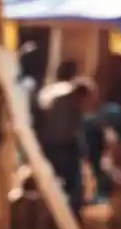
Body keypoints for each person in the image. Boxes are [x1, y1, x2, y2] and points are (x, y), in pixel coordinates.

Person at [37, 61, 88, 219]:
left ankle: (51, 219)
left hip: (47, 145)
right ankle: (72, 218)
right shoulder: (71, 92)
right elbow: (76, 121)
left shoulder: (46, 92)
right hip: (66, 145)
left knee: (51, 183)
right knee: (73, 185)